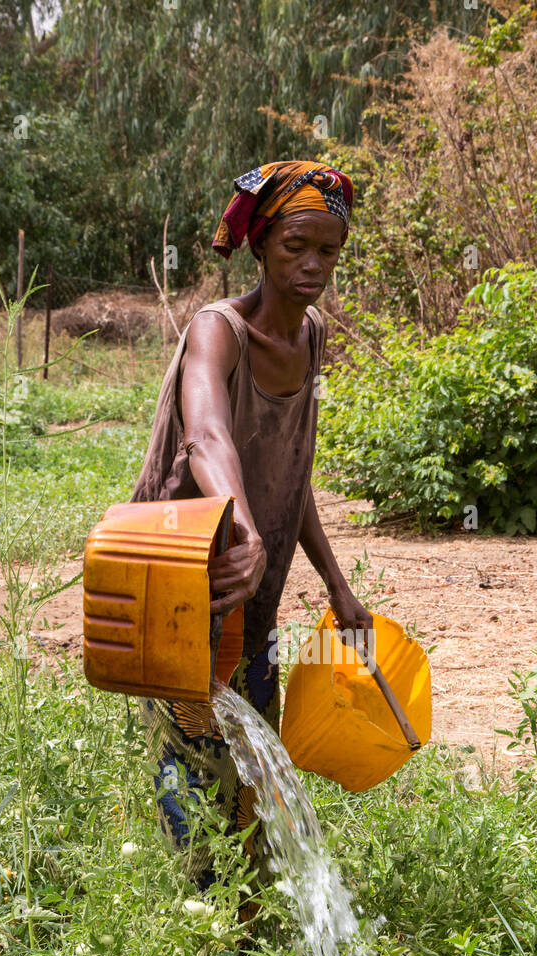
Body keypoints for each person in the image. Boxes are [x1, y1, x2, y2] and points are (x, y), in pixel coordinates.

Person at [129, 160, 373, 900]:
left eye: (328, 251)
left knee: (247, 758)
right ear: (262, 244)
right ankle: (194, 926)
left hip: (252, 584)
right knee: (189, 755)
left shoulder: (314, 337)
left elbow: (290, 474)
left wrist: (338, 584)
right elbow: (208, 439)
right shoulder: (217, 333)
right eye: (297, 246)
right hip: (180, 576)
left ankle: (240, 917)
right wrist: (238, 518)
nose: (313, 265)